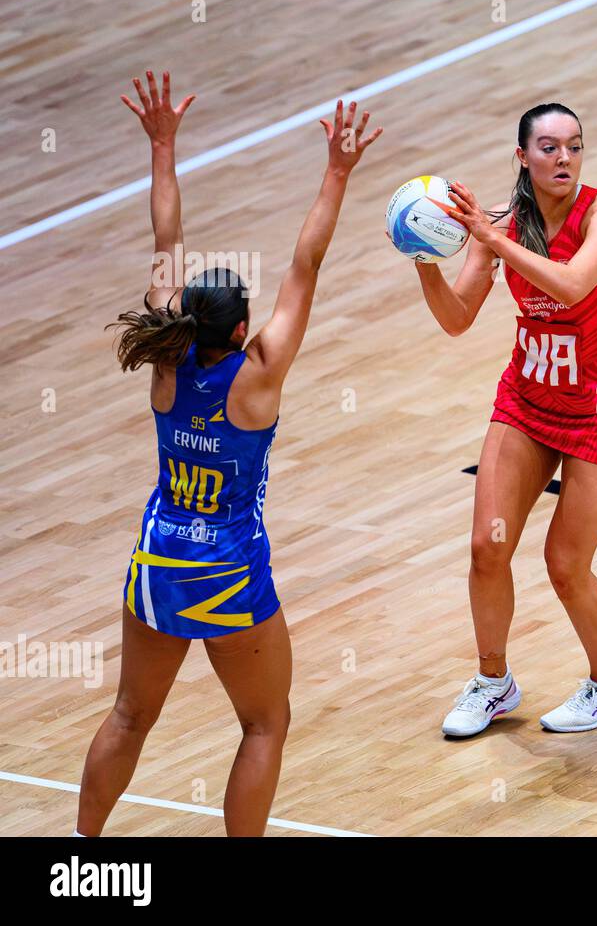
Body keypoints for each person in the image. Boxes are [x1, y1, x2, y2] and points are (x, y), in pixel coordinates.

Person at [77, 71, 380, 836]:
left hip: (157, 557)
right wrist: (337, 171)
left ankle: (78, 853)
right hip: (227, 570)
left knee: (130, 714)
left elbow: (166, 239)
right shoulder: (260, 373)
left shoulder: (167, 361)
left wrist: (163, 147)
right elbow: (304, 265)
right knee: (264, 724)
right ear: (242, 331)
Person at [405, 103, 597, 736]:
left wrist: (494, 240)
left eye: (574, 146)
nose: (563, 158)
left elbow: (571, 285)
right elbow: (457, 318)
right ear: (523, 157)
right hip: (528, 399)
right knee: (488, 545)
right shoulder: (505, 227)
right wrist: (424, 254)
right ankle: (493, 681)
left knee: (566, 565)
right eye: (548, 147)